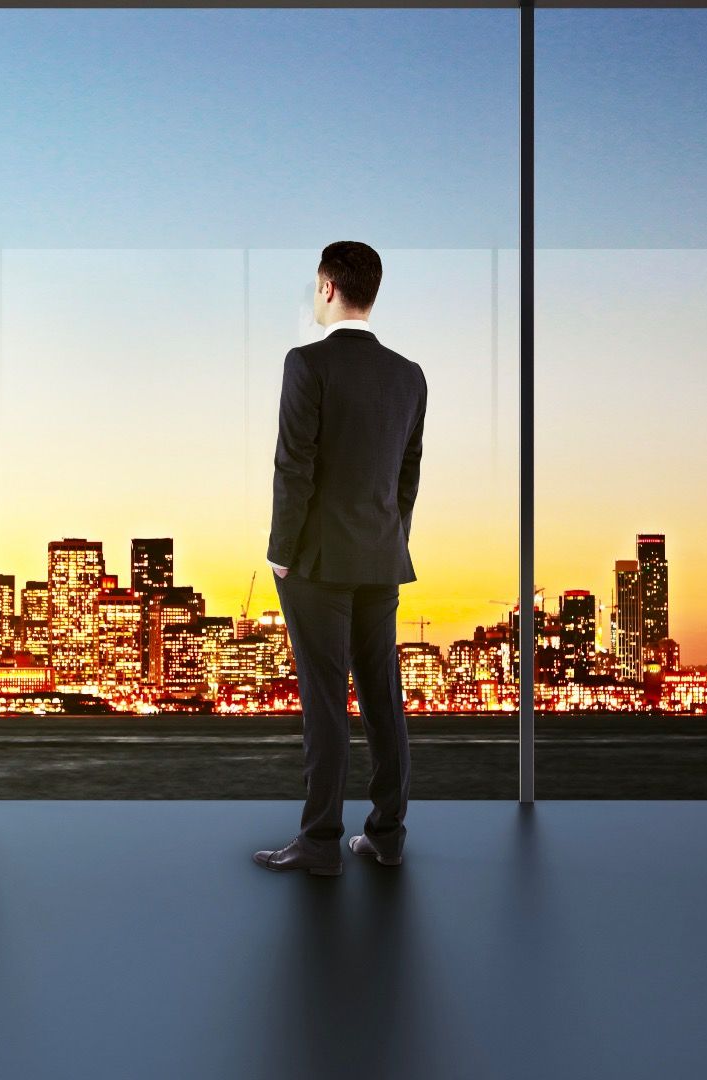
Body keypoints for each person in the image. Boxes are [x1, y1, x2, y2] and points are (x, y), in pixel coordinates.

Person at [254, 241, 425, 877]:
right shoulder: (410, 375)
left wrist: (280, 551)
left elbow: (292, 465)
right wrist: (390, 536)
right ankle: (387, 835)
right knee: (383, 697)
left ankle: (321, 842)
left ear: (327, 287)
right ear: (371, 292)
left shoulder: (307, 364)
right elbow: (408, 476)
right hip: (382, 558)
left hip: (316, 562)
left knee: (325, 700)